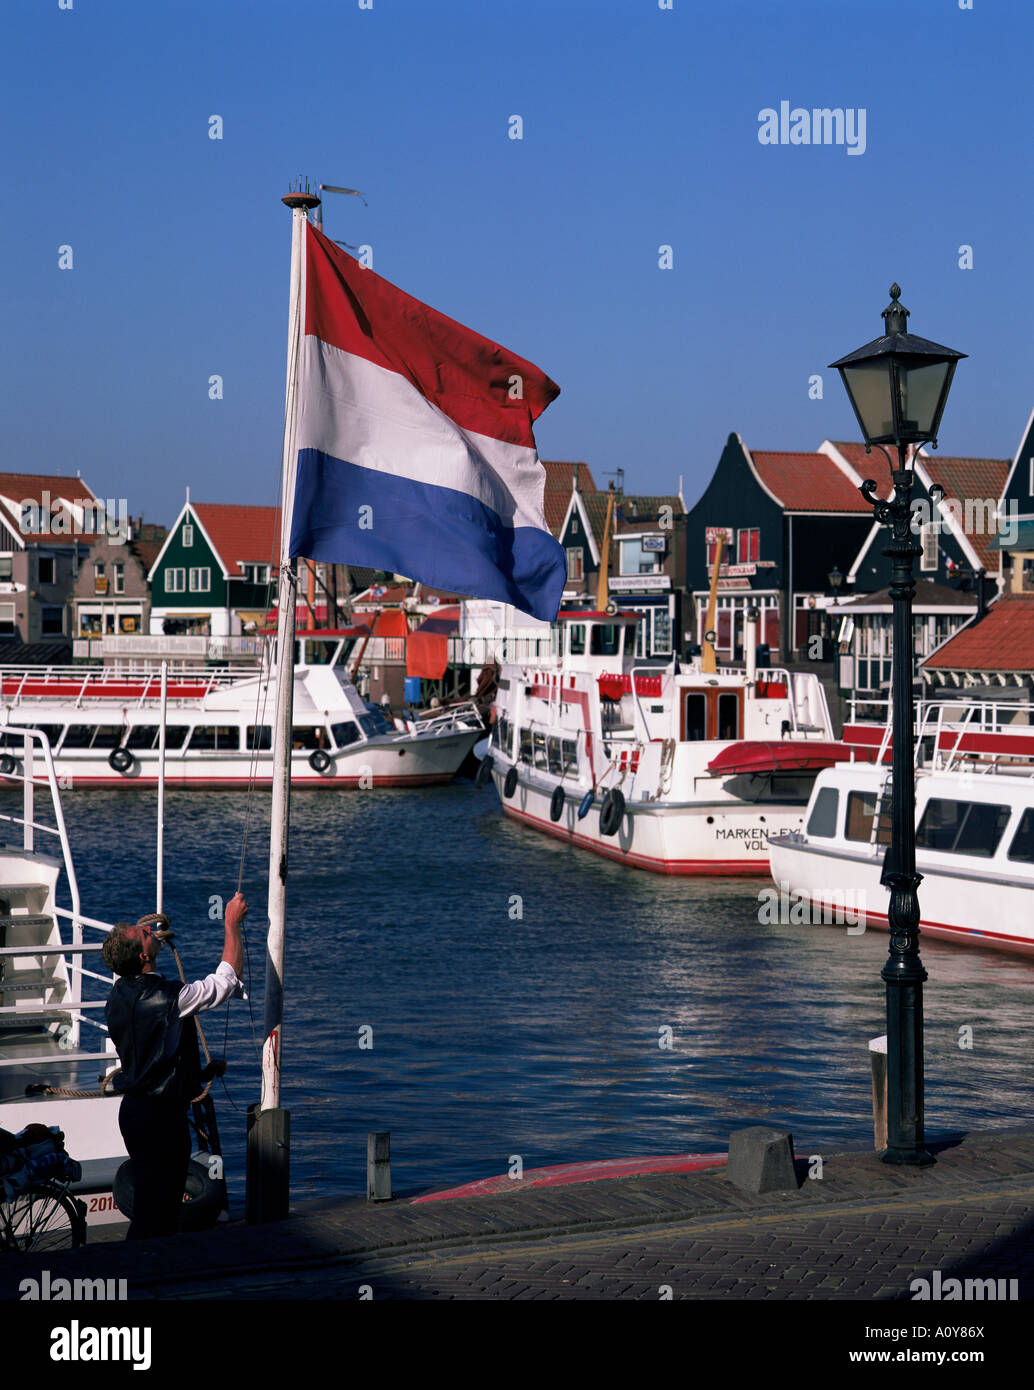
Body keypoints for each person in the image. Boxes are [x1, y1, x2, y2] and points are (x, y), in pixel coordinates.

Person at [102, 892, 248, 1240]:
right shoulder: (169, 998)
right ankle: (146, 1276)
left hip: (135, 1112)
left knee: (154, 1203)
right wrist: (231, 925)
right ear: (143, 956)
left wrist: (198, 1074)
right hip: (160, 1119)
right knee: (159, 1210)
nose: (150, 930)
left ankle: (148, 1273)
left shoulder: (116, 996)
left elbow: (151, 1058)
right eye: (143, 934)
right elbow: (225, 983)